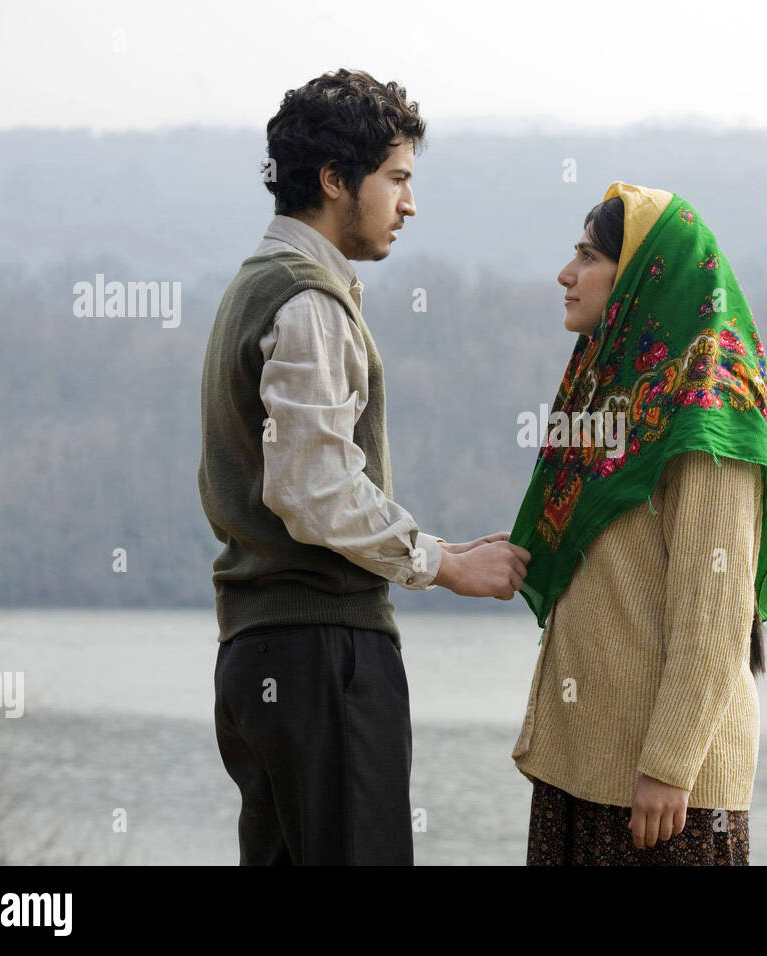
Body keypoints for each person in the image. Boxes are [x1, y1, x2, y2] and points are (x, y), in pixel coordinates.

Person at [197, 69, 529, 866]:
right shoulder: (307, 303)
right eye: (397, 179)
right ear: (335, 180)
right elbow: (313, 491)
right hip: (322, 654)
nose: (408, 204)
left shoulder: (255, 288)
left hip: (261, 652)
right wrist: (443, 563)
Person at [509, 182, 767, 865]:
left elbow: (717, 606)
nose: (566, 274)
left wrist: (669, 766)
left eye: (587, 256)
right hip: (589, 771)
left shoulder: (708, 410)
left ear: (640, 275)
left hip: (666, 795)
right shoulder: (620, 398)